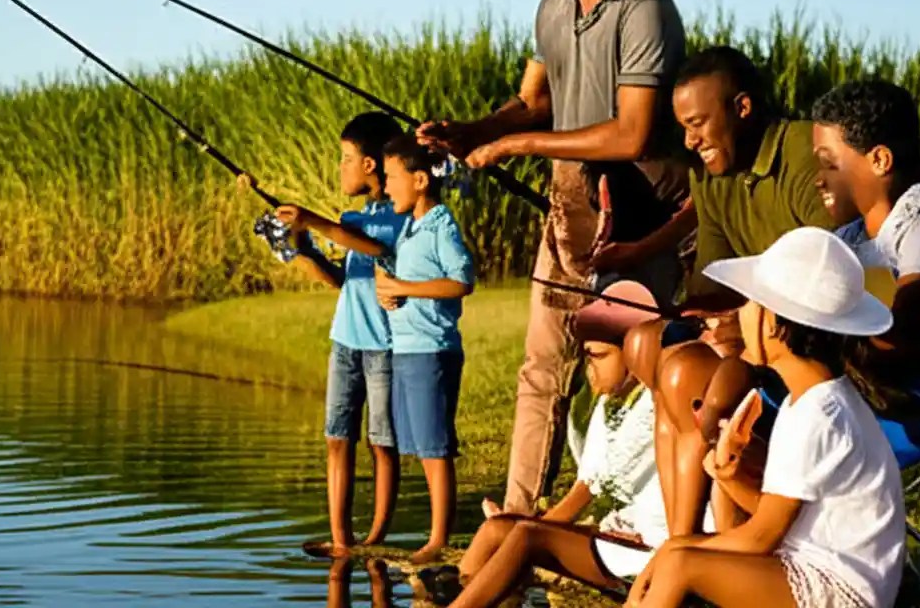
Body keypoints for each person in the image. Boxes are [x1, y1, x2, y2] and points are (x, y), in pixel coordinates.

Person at [417, 0, 694, 517]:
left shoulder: (644, 7)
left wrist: (516, 145)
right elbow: (535, 101)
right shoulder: (551, 6)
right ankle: (518, 517)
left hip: (642, 216)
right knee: (542, 368)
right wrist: (474, 131)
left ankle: (654, 523)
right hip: (569, 207)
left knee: (640, 369)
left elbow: (632, 132)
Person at [625, 227, 907, 608]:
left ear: (776, 324)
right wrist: (730, 476)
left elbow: (761, 538)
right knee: (680, 557)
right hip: (818, 566)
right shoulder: (810, 401)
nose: (740, 316)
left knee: (679, 564)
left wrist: (675, 549)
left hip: (842, 592)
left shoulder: (818, 416)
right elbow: (778, 514)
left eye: (749, 304)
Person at [621, 45, 837, 537]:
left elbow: (832, 274)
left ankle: (694, 546)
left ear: (742, 108)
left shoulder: (804, 153)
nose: (690, 140)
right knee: (646, 343)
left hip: (808, 346)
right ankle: (683, 544)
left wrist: (742, 314)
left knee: (681, 377)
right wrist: (695, 313)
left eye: (698, 123)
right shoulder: (709, 176)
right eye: (683, 127)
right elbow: (709, 280)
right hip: (751, 336)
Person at [423, 280, 669, 608]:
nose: (590, 370)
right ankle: (462, 593)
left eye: (599, 357)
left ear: (637, 351)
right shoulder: (610, 404)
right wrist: (512, 525)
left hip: (643, 554)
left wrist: (527, 526)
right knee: (499, 531)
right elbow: (585, 484)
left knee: (525, 538)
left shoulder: (651, 409)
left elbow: (585, 493)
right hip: (622, 538)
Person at [239, 112, 407, 557]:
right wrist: (298, 248)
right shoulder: (357, 217)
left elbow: (377, 250)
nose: (341, 167)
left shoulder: (397, 216)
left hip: (386, 347)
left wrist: (314, 221)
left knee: (382, 443)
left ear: (370, 165)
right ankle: (340, 539)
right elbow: (341, 279)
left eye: (345, 158)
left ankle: (374, 540)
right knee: (337, 438)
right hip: (345, 342)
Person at [811, 79, 920, 415]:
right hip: (851, 383)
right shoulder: (848, 237)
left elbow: (912, 315)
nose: (818, 179)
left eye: (829, 164)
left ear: (880, 159)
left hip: (918, 388)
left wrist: (826, 343)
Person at [374, 133, 477, 563]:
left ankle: (438, 540)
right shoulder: (410, 227)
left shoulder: (441, 224)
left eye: (392, 176)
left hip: (432, 350)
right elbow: (407, 283)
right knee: (419, 445)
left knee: (435, 449)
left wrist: (404, 286)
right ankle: (433, 532)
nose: (387, 184)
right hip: (406, 348)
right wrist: (390, 295)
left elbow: (462, 280)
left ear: (419, 180)